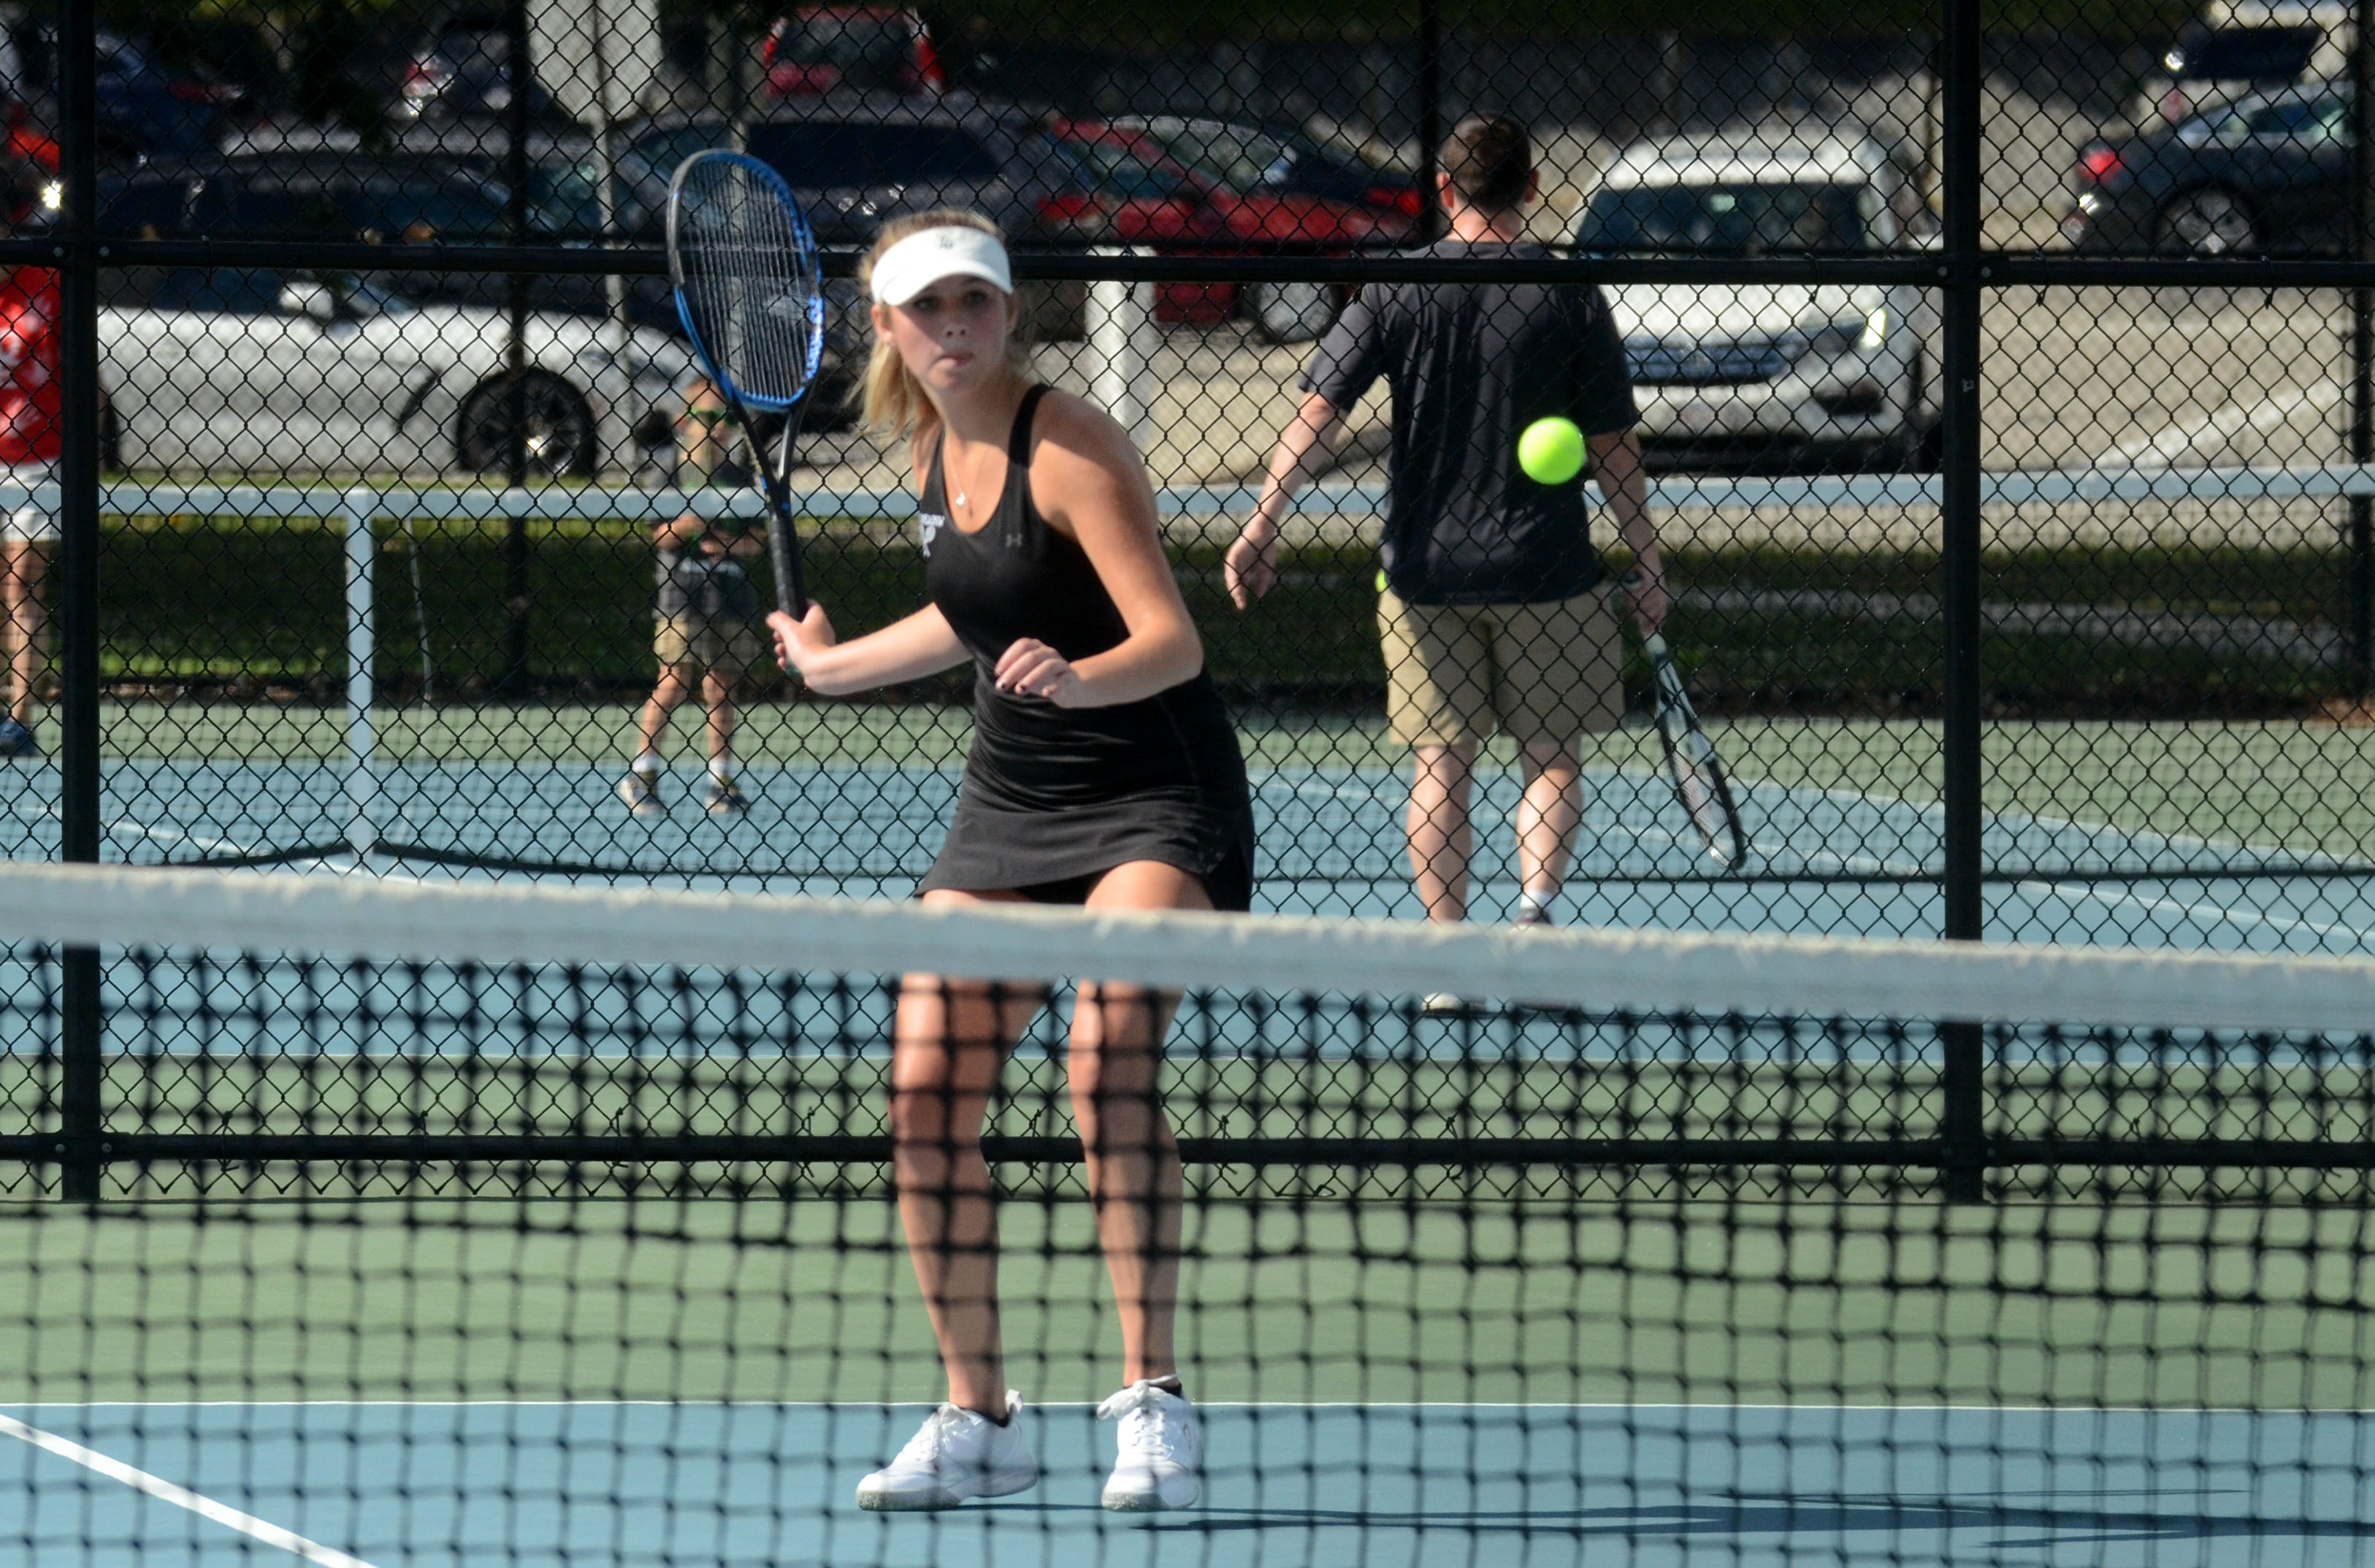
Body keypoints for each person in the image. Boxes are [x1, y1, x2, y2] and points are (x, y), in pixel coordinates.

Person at [768, 210, 1253, 1515]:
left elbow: (1170, 640)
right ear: (886, 325)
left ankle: (1151, 1402)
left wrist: (1079, 677)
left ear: (1007, 309)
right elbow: (971, 608)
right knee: (923, 1092)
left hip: (1154, 789)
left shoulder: (1072, 441)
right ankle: (980, 1422)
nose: (953, 327)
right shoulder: (934, 442)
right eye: (927, 309)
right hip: (1011, 803)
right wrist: (832, 663)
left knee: (1106, 1061)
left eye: (973, 302)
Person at [1228, 112, 1668, 965]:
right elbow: (1615, 446)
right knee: (1552, 759)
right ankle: (1534, 915)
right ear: (1534, 188)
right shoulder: (1571, 289)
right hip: (1549, 568)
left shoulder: (1394, 288)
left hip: (1423, 574)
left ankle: (1446, 955)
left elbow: (1318, 411)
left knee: (1442, 764)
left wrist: (1264, 518)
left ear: (1441, 190)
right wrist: (1647, 557)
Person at [619, 375, 763, 816]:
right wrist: (690, 524)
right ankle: (643, 772)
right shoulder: (668, 473)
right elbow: (659, 536)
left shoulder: (742, 477)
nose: (719, 427)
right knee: (673, 680)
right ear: (685, 421)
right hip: (681, 597)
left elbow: (756, 541)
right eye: (708, 416)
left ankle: (720, 779)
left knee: (722, 687)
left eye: (726, 418)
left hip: (730, 597)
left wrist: (729, 545)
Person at [0, 261, 60, 760]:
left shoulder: (46, 284)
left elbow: (82, 363)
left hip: (40, 456)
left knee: (23, 579)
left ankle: (21, 718)